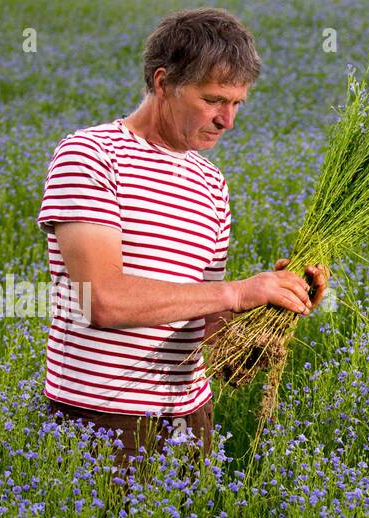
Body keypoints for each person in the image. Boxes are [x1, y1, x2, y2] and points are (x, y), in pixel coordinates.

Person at [36, 6, 328, 488]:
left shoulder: (210, 183)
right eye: (214, 99)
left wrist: (273, 310)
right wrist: (238, 292)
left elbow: (207, 331)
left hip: (192, 421)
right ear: (163, 82)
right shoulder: (90, 155)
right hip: (104, 424)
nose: (227, 120)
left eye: (238, 103)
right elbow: (102, 301)